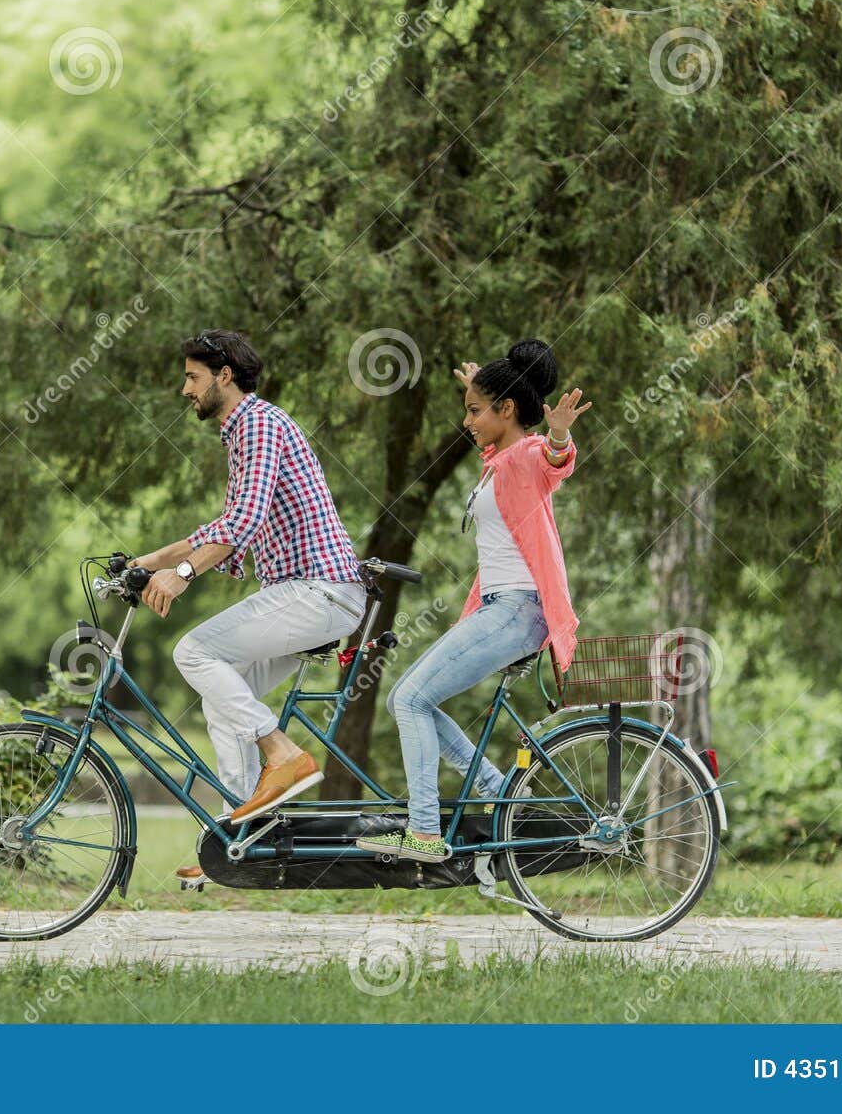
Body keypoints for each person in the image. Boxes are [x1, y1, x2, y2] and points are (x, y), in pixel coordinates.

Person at [129, 330, 368, 881]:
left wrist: (182, 572)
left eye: (192, 376)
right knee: (225, 693)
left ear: (224, 375)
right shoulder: (243, 432)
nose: (184, 388)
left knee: (193, 652)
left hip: (318, 590)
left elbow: (243, 521)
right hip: (306, 595)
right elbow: (224, 526)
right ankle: (233, 842)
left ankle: (283, 754)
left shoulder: (258, 424)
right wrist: (146, 562)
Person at [358, 340, 591, 862]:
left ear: (507, 410)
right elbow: (499, 447)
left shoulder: (528, 455)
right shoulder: (500, 460)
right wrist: (477, 390)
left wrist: (558, 433)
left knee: (410, 699)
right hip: (501, 610)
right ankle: (494, 787)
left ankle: (423, 832)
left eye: (475, 411)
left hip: (517, 609)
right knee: (410, 699)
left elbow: (555, 461)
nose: (467, 421)